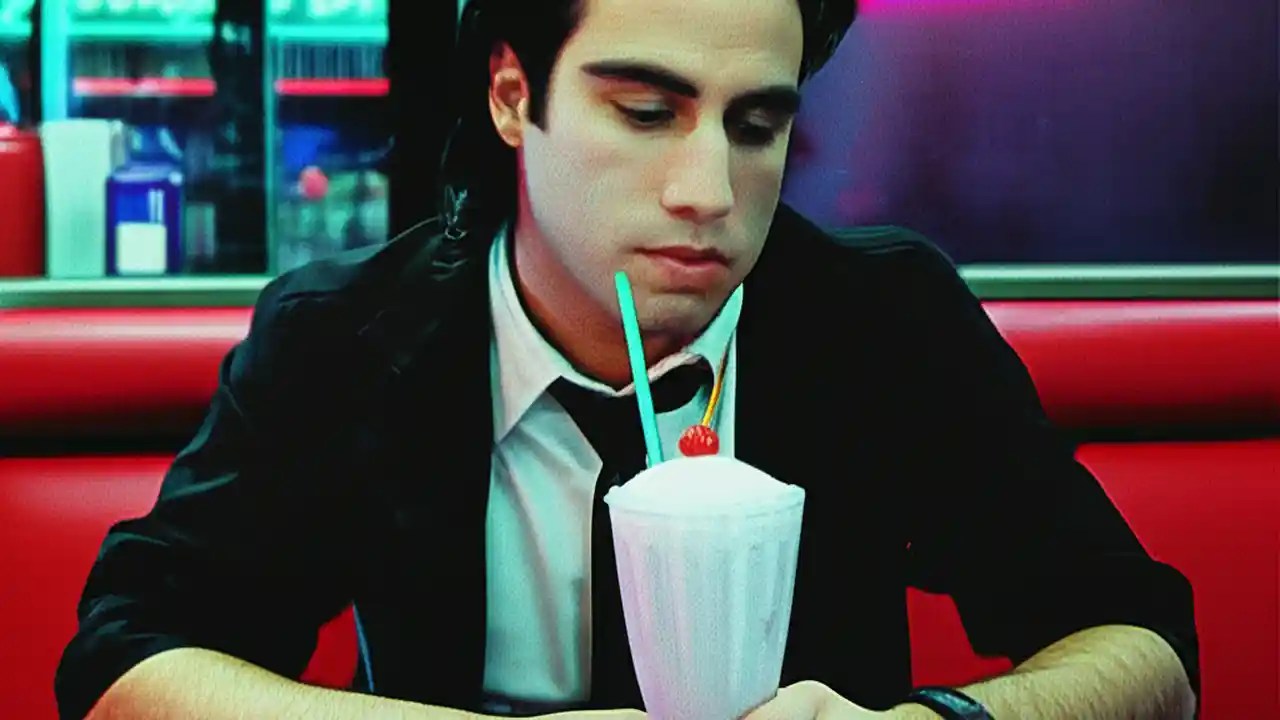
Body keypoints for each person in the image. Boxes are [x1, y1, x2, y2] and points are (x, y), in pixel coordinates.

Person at [55, 0, 1200, 718]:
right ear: (513, 95)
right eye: (646, 111)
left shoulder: (878, 323)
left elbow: (1146, 645)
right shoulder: (351, 338)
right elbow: (125, 660)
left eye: (755, 126)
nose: (708, 193)